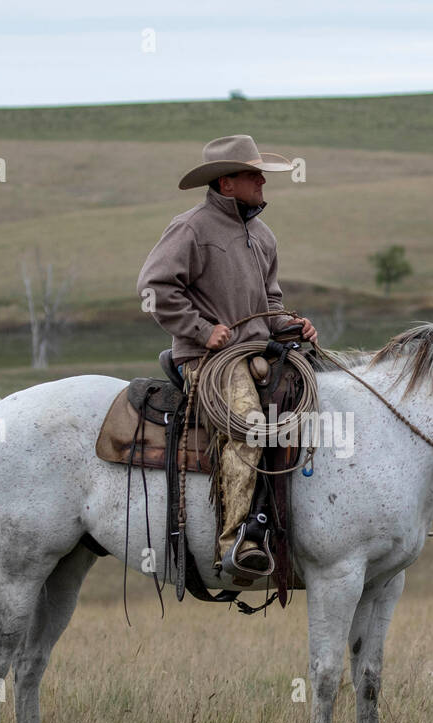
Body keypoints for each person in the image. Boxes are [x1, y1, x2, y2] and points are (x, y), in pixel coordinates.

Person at [137, 134, 318, 580]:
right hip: (207, 359)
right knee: (249, 425)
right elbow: (155, 288)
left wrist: (292, 325)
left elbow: (270, 303)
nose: (262, 182)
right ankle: (236, 540)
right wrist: (202, 330)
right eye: (252, 175)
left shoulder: (263, 235)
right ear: (225, 183)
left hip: (257, 351)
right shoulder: (191, 228)